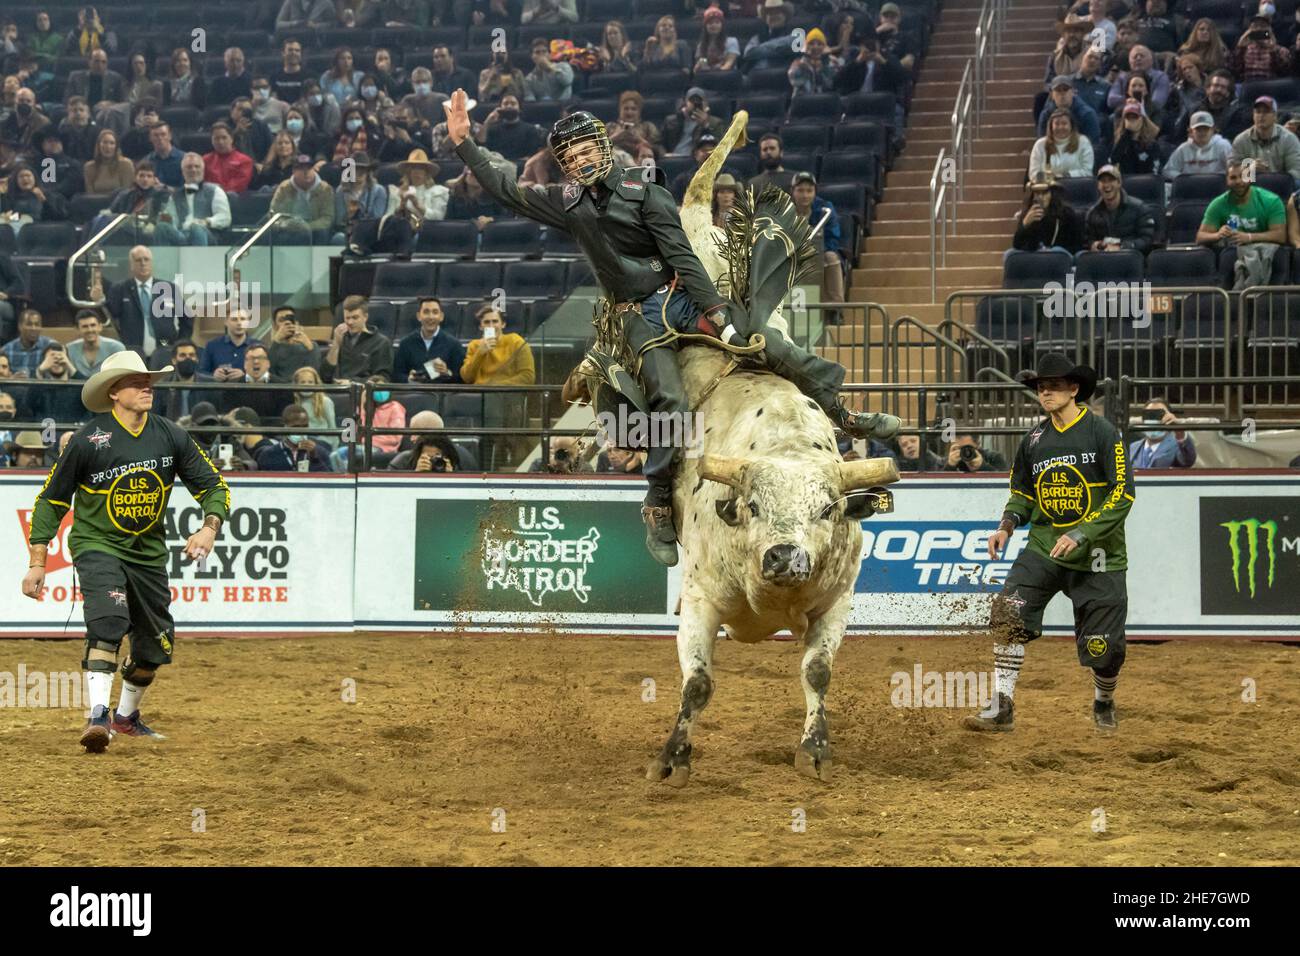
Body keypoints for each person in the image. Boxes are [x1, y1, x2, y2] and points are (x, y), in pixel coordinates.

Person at [443, 90, 899, 562]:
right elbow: (507, 189)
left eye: (584, 151)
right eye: (569, 157)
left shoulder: (646, 192)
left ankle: (842, 416)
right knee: (672, 403)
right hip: (633, 316)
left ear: (603, 147)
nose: (578, 162)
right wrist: (465, 143)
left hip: (682, 298)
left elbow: (682, 256)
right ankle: (659, 499)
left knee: (767, 344)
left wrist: (720, 318)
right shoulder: (569, 203)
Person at [23, 350, 230, 752]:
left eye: (148, 380)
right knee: (108, 620)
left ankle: (125, 717)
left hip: (148, 553)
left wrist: (209, 527)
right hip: (97, 545)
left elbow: (213, 485)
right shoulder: (88, 440)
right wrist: (37, 562)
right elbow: (51, 501)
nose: (147, 386)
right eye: (137, 381)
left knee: (155, 649)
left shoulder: (170, 434)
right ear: (114, 392)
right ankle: (97, 716)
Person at [964, 353, 1133, 734]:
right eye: (1041, 386)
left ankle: (1103, 701)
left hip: (1098, 555)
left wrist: (1082, 533)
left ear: (1075, 389)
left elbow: (1122, 495)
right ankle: (1002, 705)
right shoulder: (1034, 440)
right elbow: (1022, 491)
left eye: (1054, 385)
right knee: (1007, 612)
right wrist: (1007, 525)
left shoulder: (1103, 433)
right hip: (1044, 547)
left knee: (1102, 651)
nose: (1046, 392)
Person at [1196, 159, 1286, 288]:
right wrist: (1217, 235)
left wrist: (1248, 237)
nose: (1238, 181)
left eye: (1243, 177)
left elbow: (1280, 235)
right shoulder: (1218, 204)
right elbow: (1200, 237)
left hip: (1265, 256)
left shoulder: (1271, 201)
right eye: (1233, 177)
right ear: (1227, 180)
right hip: (1231, 261)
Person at [103, 245, 190, 362]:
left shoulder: (168, 288)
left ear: (151, 262)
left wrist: (179, 343)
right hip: (132, 352)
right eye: (138, 260)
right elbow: (112, 313)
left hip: (165, 350)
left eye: (146, 259)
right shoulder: (119, 288)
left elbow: (187, 318)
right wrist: (101, 300)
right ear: (131, 265)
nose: (143, 263)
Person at [790, 172, 844, 306]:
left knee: (831, 257)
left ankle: (835, 308)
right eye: (800, 190)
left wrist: (814, 252)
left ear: (815, 192)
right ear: (792, 192)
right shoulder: (783, 210)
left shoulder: (825, 209)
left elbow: (833, 239)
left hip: (818, 253)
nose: (805, 195)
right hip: (789, 255)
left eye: (809, 191)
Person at [157, 152, 232, 246]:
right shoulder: (175, 196)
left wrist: (206, 221)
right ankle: (164, 260)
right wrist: (165, 219)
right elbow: (172, 221)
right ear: (183, 171)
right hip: (182, 235)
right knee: (162, 227)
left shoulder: (215, 191)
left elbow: (225, 217)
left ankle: (199, 260)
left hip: (207, 235)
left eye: (197, 166)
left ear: (203, 170)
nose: (193, 170)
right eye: (189, 167)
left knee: (197, 228)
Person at [1009, 172, 1085, 258]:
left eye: (1045, 193)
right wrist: (1024, 224)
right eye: (1037, 193)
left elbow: (1077, 245)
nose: (1041, 197)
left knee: (1057, 250)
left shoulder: (1066, 213)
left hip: (1059, 257)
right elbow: (1017, 245)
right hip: (1035, 258)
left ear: (1052, 194)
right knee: (1009, 253)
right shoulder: (1028, 214)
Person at [1085, 165, 1155, 254]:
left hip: (1130, 259)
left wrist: (1121, 247)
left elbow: (1147, 240)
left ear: (1119, 183)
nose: (1106, 185)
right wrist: (1094, 245)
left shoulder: (1139, 208)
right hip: (1102, 260)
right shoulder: (1092, 213)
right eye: (1103, 181)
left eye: (1111, 180)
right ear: (1098, 186)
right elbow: (1088, 240)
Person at [322, 295, 393, 383]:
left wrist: (352, 383)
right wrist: (336, 344)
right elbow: (325, 376)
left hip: (364, 393)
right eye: (347, 318)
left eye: (355, 318)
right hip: (338, 391)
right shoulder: (340, 338)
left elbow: (383, 378)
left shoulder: (381, 342)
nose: (350, 322)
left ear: (365, 317)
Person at [394, 297, 464, 383]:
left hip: (442, 394)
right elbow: (396, 375)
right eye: (426, 312)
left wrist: (447, 373)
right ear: (419, 316)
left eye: (435, 312)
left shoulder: (454, 345)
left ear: (441, 316)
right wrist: (408, 379)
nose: (431, 317)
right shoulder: (405, 344)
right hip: (413, 393)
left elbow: (462, 379)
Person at [1231, 95, 1300, 181]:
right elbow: (1232, 173)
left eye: (1266, 112)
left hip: (1281, 189)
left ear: (1275, 116)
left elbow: (1296, 174)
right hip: (1250, 189)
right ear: (1253, 116)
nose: (1261, 116)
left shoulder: (1289, 139)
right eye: (1258, 112)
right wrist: (1249, 169)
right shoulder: (1241, 140)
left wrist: (1272, 179)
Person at [270, 154, 336, 243]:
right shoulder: (284, 187)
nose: (306, 172)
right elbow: (274, 214)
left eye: (309, 168)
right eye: (301, 169)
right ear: (293, 171)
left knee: (322, 232)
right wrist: (286, 225)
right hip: (290, 229)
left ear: (313, 169)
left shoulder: (325, 189)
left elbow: (327, 219)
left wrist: (307, 227)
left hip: (314, 229)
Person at [1129, 397, 1196, 468]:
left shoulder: (1178, 447)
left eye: (1160, 415)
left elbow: (1188, 461)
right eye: (1149, 415)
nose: (1154, 420)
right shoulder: (1132, 447)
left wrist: (1179, 431)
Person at [156, 339, 215, 419]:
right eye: (183, 355)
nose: (188, 358)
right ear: (174, 360)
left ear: (197, 359)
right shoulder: (162, 386)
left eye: (191, 355)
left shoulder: (210, 385)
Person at [1164, 111, 1232, 179]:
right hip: (1191, 187)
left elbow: (1232, 168)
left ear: (1213, 130)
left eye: (1206, 129)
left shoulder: (1223, 145)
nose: (1202, 132)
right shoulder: (1183, 149)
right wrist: (1185, 180)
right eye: (1198, 129)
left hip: (1217, 186)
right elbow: (1168, 170)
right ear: (1190, 131)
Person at [1028, 109, 1095, 180]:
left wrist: (1065, 176)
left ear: (1071, 125)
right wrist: (1051, 178)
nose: (1060, 127)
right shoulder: (1040, 144)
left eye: (1064, 123)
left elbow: (1087, 171)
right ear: (1051, 126)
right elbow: (1033, 174)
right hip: (1048, 188)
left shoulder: (1083, 142)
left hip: (1076, 187)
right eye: (1057, 124)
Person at [1037, 74, 1101, 147]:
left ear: (1073, 92)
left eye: (1065, 89)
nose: (1062, 94)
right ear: (1052, 94)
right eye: (1058, 90)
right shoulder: (1046, 115)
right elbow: (1043, 142)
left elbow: (1093, 144)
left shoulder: (1087, 114)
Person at [387, 410, 461, 471]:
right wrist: (416, 475)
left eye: (416, 433)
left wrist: (451, 477)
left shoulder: (455, 459)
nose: (411, 439)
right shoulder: (402, 461)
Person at [661, 87, 725, 157]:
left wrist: (706, 125)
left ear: (705, 103)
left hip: (698, 159)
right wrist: (663, 154)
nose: (695, 104)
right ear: (685, 102)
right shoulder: (671, 121)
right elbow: (660, 143)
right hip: (673, 157)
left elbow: (720, 145)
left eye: (699, 101)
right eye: (692, 101)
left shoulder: (716, 123)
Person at [201, 310, 261, 379]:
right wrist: (213, 376)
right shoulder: (212, 346)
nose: (239, 323)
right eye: (234, 319)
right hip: (220, 388)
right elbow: (201, 373)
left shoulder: (258, 347)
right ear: (226, 322)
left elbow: (266, 375)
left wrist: (245, 377)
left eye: (243, 319)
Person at [66, 309, 125, 377]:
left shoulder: (116, 348)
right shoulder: (69, 349)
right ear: (77, 329)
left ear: (100, 327)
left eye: (93, 325)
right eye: (85, 326)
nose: (90, 330)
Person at [1230, 15, 1290, 82]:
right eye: (1255, 26)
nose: (1258, 29)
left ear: (1269, 30)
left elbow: (1283, 72)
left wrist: (1273, 51)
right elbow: (1235, 71)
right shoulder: (1244, 49)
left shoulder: (1280, 50)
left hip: (1270, 86)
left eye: (1262, 26)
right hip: (1248, 85)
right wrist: (1240, 48)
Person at [1110, 100, 1163, 175]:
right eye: (1128, 118)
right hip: (1126, 182)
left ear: (1141, 119)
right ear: (1124, 120)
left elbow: (1155, 170)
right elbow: (1113, 160)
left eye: (1135, 117)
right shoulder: (1121, 141)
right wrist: (1126, 134)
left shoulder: (1152, 144)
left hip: (1146, 182)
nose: (1132, 120)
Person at [267, 306, 318, 380]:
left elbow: (315, 373)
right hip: (281, 389)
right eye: (281, 320)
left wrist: (310, 348)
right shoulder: (272, 349)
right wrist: (276, 340)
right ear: (275, 326)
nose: (287, 323)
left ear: (296, 323)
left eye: (290, 319)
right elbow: (269, 372)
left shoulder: (310, 346)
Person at [3, 308, 56, 378]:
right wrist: (12, 379)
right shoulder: (7, 350)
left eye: (37, 325)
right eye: (29, 324)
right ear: (20, 326)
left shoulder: (51, 347)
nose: (33, 328)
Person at [788, 28, 841, 96]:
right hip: (804, 102)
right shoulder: (798, 63)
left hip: (826, 101)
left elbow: (833, 84)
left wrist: (824, 63)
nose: (815, 47)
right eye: (811, 43)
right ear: (806, 47)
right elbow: (795, 81)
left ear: (825, 47)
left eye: (819, 44)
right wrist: (806, 62)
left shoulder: (834, 62)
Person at [203, 123, 254, 194]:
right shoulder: (205, 160)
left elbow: (240, 185)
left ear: (231, 139)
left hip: (235, 199)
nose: (220, 142)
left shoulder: (245, 161)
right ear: (212, 141)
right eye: (216, 138)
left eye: (224, 137)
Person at [291, 365, 337, 441]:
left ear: (316, 384)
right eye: (302, 382)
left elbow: (332, 427)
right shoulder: (293, 401)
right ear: (296, 384)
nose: (307, 385)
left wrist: (334, 451)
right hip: (300, 441)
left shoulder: (325, 402)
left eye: (310, 382)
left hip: (322, 441)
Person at [82, 127, 134, 195]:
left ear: (116, 146)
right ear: (98, 145)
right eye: (105, 142)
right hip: (96, 203)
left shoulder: (126, 164)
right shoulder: (89, 167)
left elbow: (126, 192)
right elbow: (90, 194)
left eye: (112, 143)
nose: (108, 147)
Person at [523, 38, 574, 102]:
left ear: (549, 54)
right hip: (542, 109)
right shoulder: (529, 79)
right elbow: (529, 100)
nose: (541, 55)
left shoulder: (564, 66)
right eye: (537, 52)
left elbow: (566, 81)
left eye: (544, 51)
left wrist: (550, 69)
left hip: (563, 107)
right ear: (532, 56)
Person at [748, 132, 796, 196]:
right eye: (765, 149)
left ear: (781, 152)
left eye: (772, 148)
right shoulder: (753, 184)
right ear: (760, 154)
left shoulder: (794, 179)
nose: (768, 152)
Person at [695, 5, 741, 72]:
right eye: (710, 23)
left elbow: (729, 64)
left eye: (717, 22)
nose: (714, 25)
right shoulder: (701, 45)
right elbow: (703, 62)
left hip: (726, 75)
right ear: (705, 27)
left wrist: (715, 73)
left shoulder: (732, 42)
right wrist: (701, 65)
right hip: (708, 76)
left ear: (722, 25)